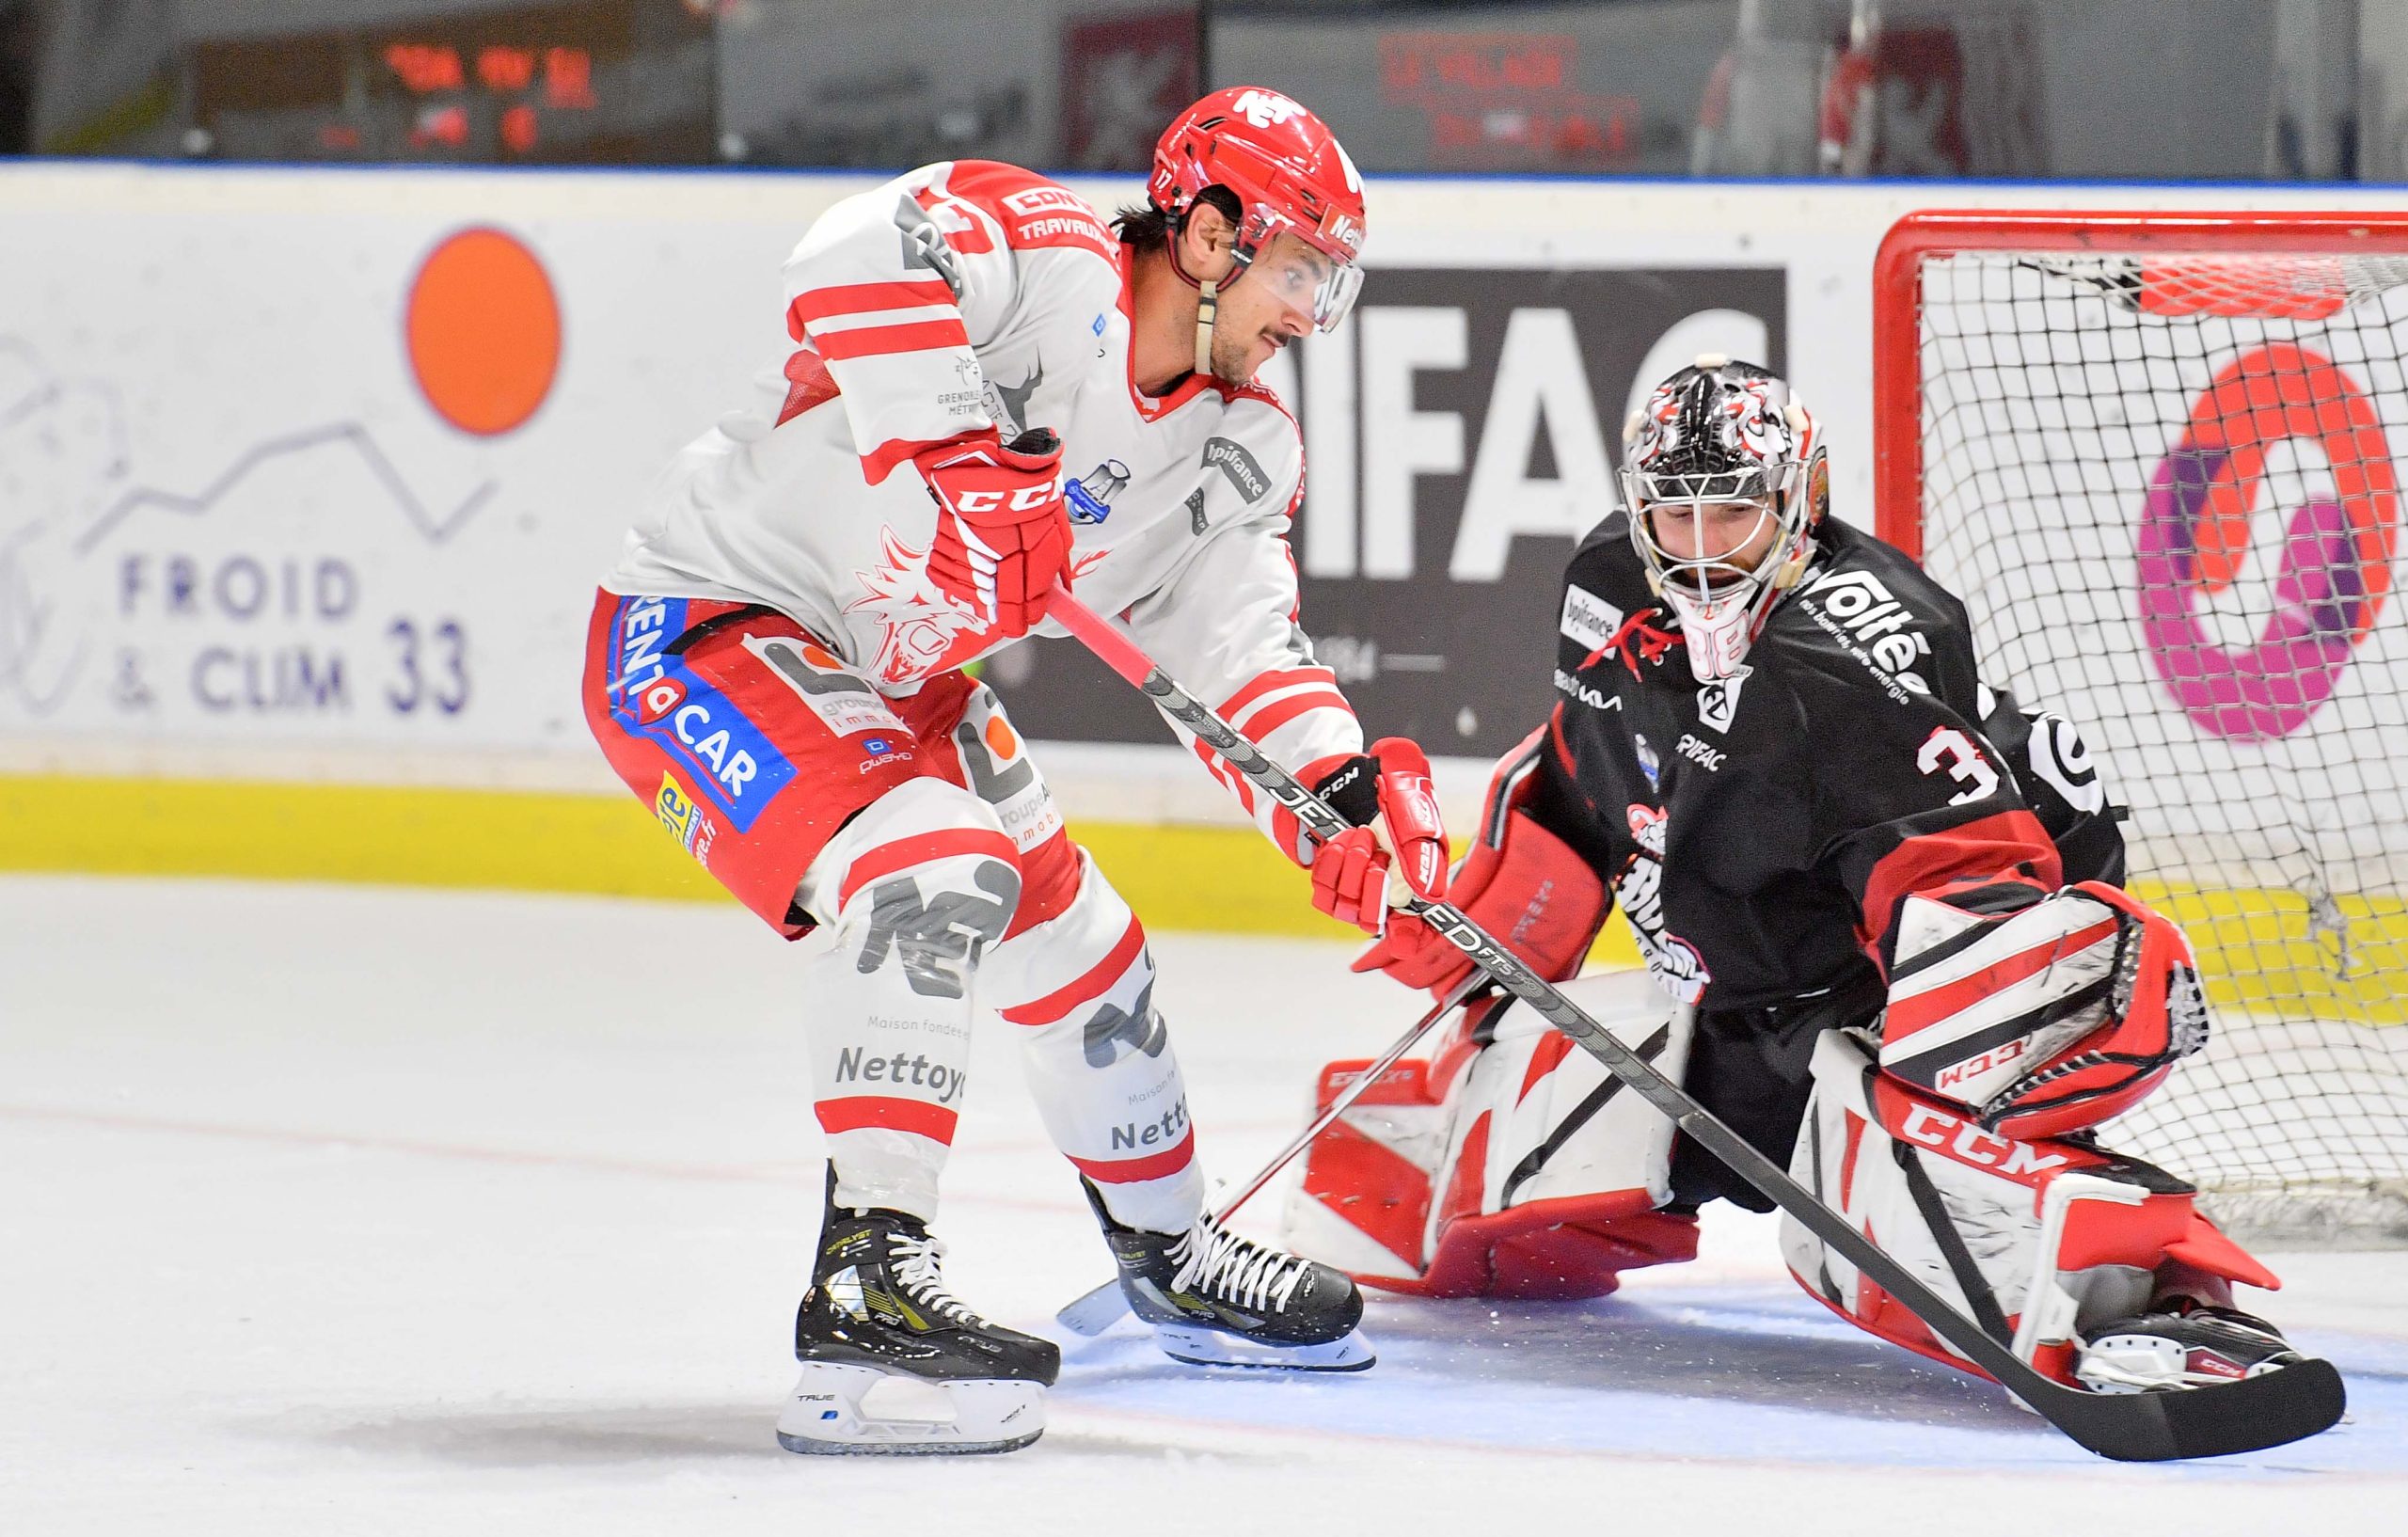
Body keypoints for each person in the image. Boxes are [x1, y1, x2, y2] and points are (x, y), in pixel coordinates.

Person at [579, 87, 1449, 1455]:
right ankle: (865, 1285)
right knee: (933, 866)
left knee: (1087, 953)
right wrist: (955, 449)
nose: (1305, 315)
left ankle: (1170, 1258)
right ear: (1209, 232)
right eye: (1296, 270)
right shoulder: (1039, 254)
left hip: (901, 680)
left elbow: (1236, 643)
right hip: (708, 623)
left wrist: (1332, 789)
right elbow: (846, 255)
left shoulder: (1241, 443)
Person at [1290, 357, 2316, 1399]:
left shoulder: (1857, 655)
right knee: (1492, 1209)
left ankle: (2169, 1303)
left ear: (1801, 498)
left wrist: (1947, 1077)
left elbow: (1967, 893)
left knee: (1897, 1194)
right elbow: (1576, 770)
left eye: (1731, 511)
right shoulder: (1606, 584)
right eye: (1672, 515)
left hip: (1854, 1014)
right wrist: (1476, 937)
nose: (1697, 550)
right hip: (1720, 1018)